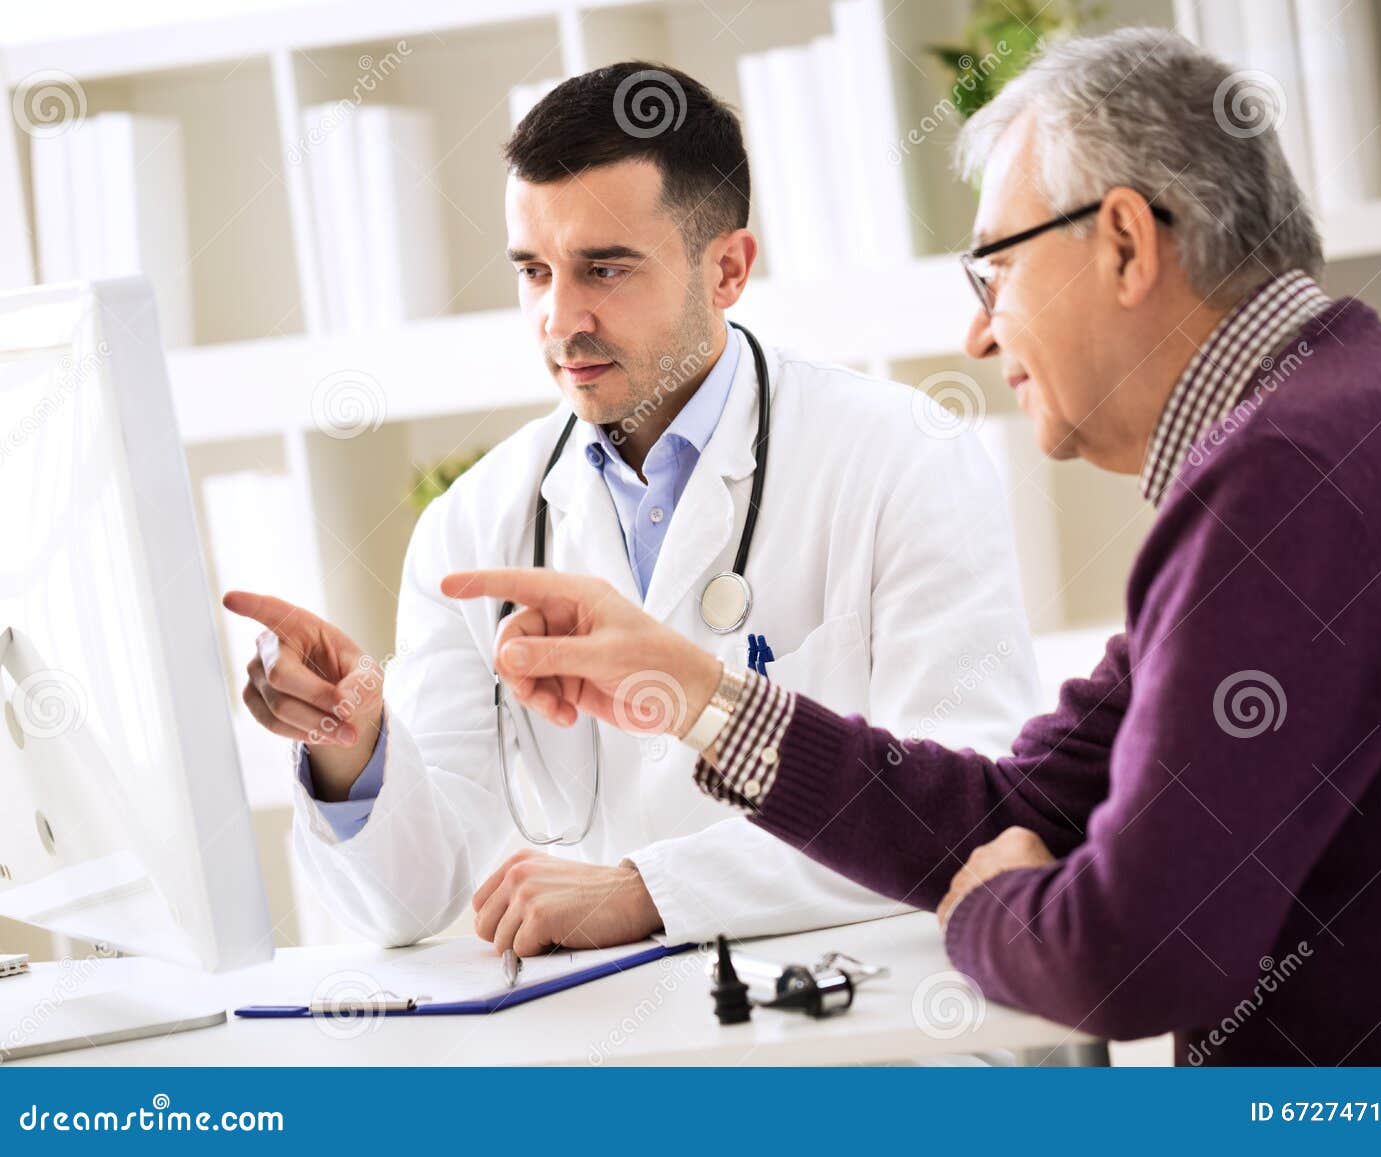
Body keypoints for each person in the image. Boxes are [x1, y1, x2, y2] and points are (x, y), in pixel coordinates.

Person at [443, 29, 1381, 1064]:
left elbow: (1131, 950)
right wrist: (690, 690)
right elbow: (1015, 798)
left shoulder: (1299, 469)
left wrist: (980, 911)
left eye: (995, 264)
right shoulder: (1322, 426)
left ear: (1125, 246)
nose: (978, 326)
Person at [223, 62, 1038, 952]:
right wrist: (353, 740)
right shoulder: (470, 526)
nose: (559, 318)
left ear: (727, 268)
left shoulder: (905, 457)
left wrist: (654, 890)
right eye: (534, 271)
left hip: (865, 1042)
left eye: (603, 269)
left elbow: (968, 808)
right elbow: (411, 901)